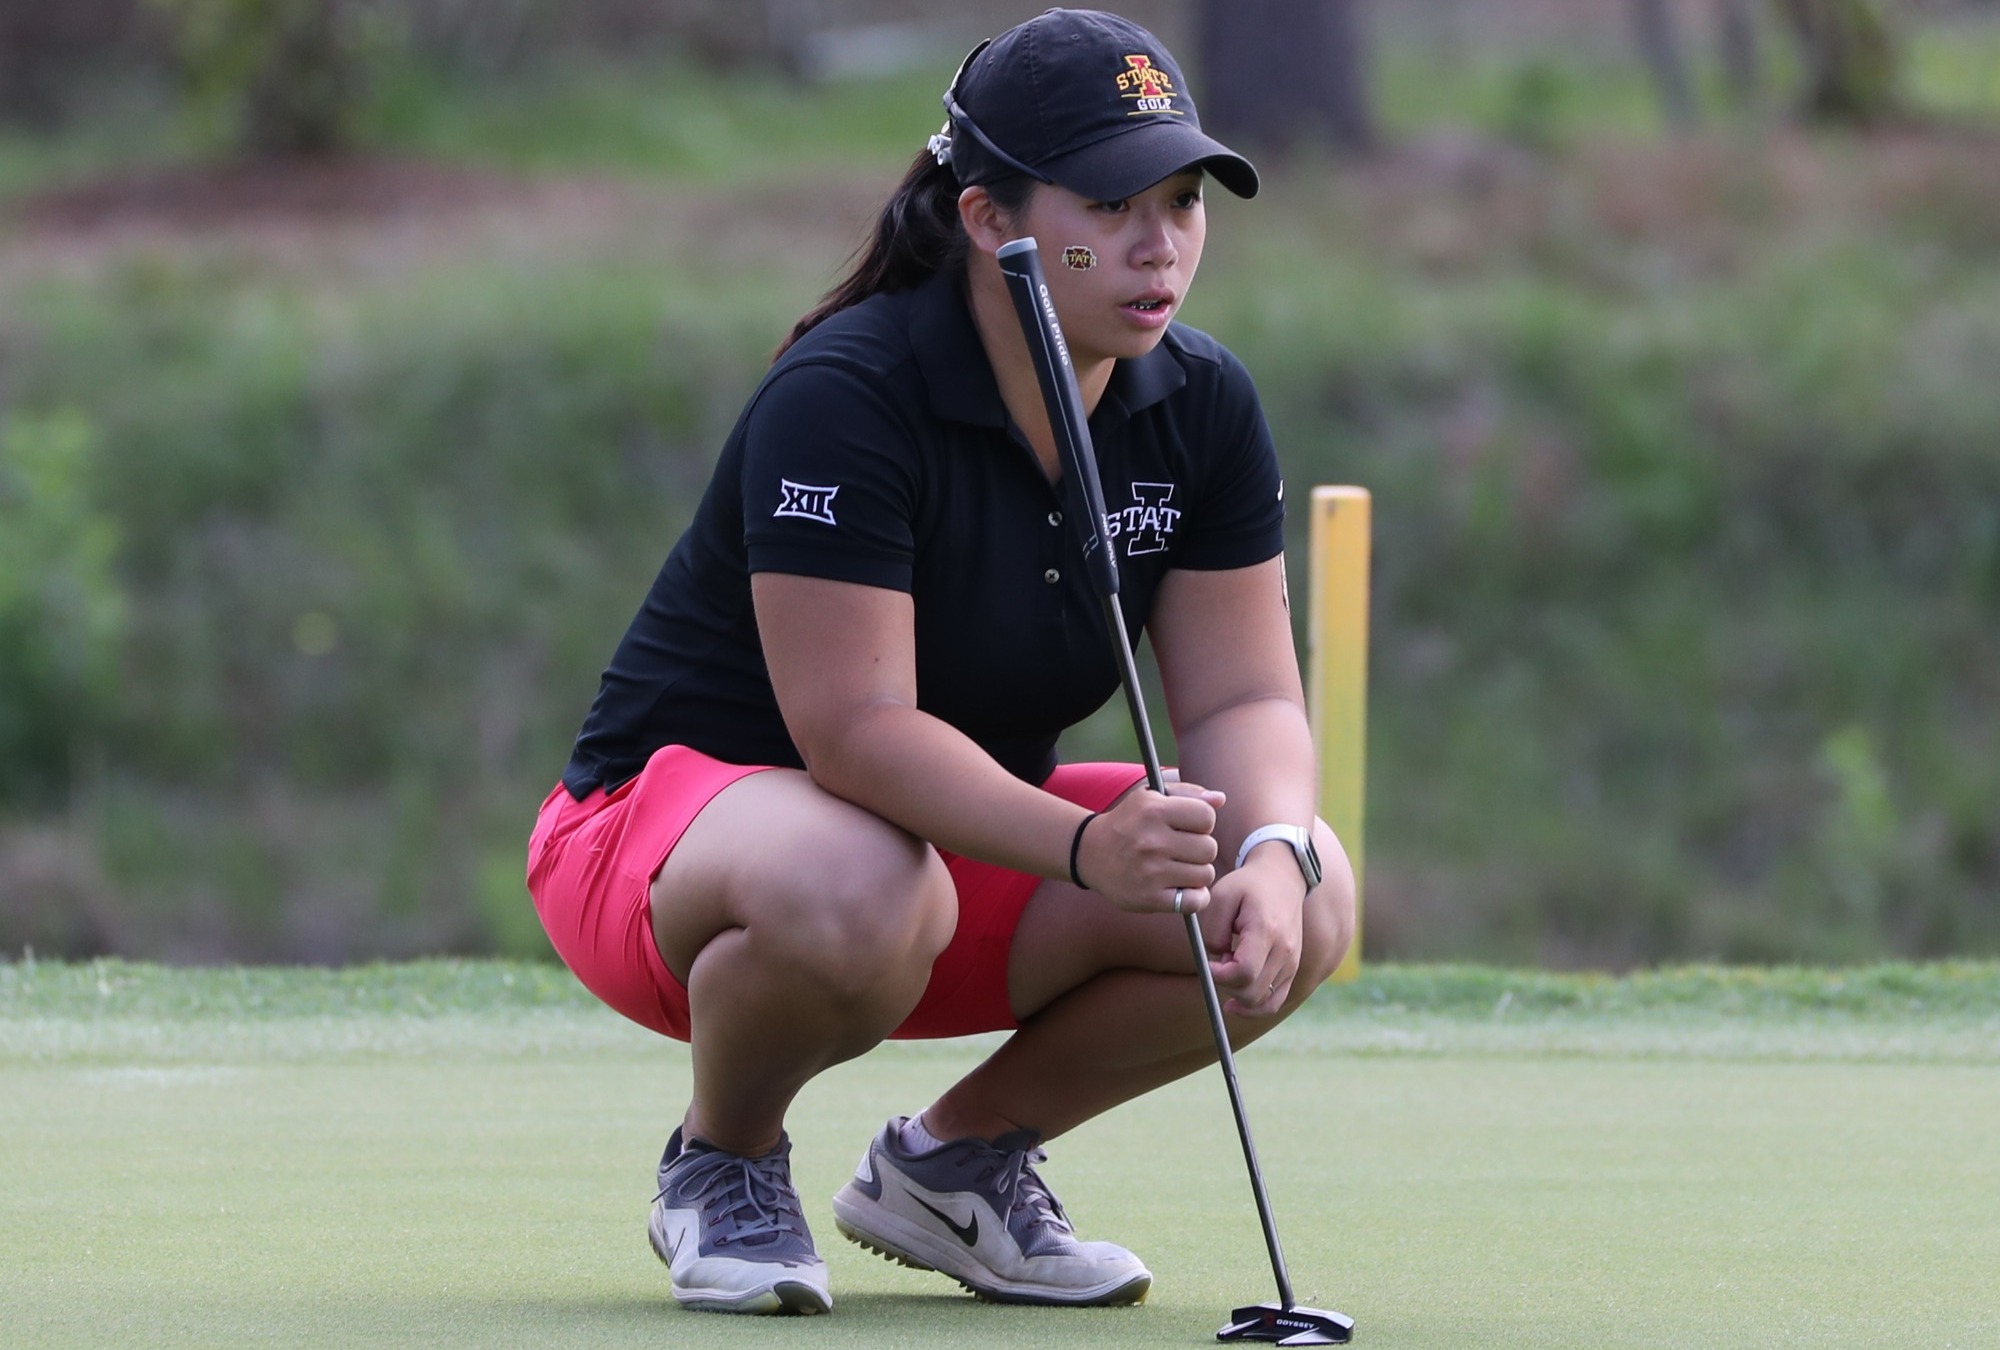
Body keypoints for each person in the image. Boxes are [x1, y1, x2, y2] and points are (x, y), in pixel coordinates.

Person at [525, 6, 1355, 1318]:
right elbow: (853, 730)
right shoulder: (849, 393)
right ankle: (723, 1161)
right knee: (862, 874)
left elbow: (1247, 697)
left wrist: (1271, 852)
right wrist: (1089, 847)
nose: (1163, 243)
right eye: (1115, 199)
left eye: (1187, 200)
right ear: (987, 218)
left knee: (1304, 888)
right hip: (664, 848)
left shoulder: (1200, 404)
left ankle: (954, 1166)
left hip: (944, 859)